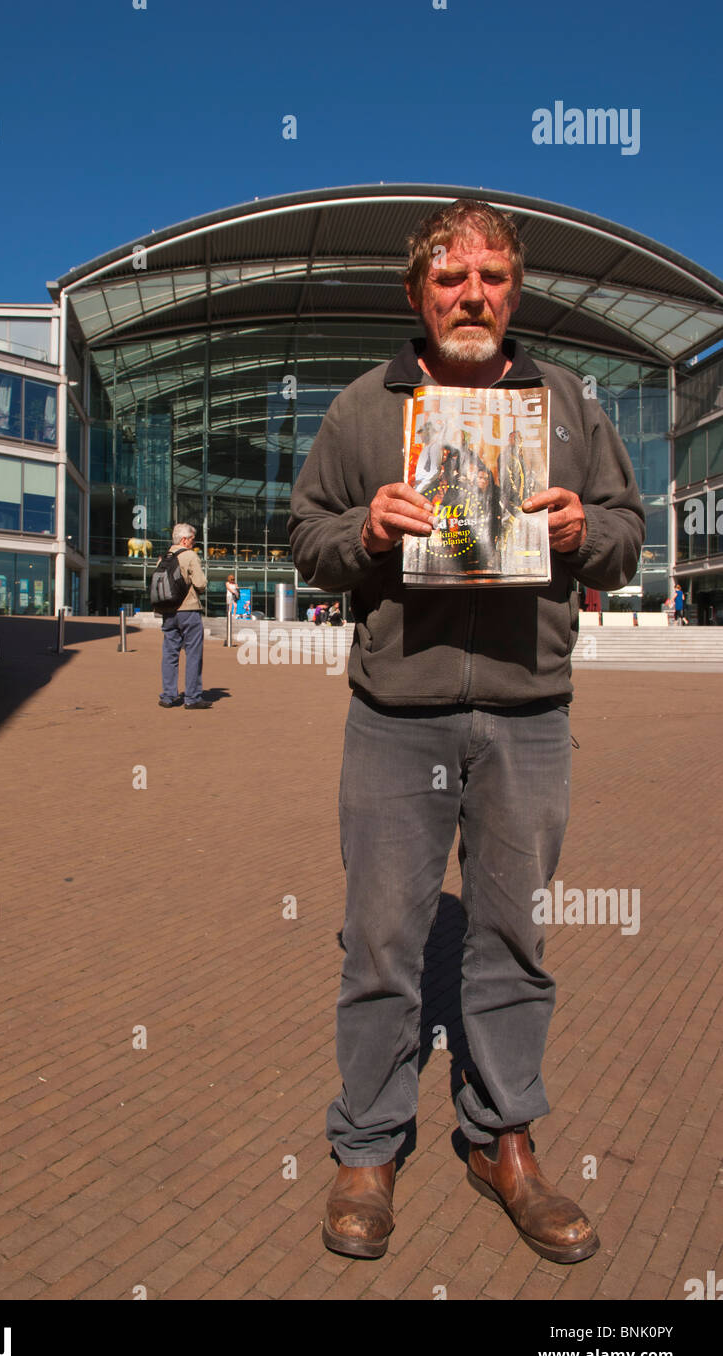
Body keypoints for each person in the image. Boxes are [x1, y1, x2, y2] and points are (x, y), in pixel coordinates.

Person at [289, 198, 645, 1266]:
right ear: (416, 293)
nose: (471, 295)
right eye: (449, 279)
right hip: (394, 719)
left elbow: (629, 535)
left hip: (528, 716)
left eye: (490, 277)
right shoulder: (364, 408)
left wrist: (589, 532)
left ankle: (503, 1138)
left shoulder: (566, 403)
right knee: (384, 939)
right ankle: (367, 1144)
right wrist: (363, 531)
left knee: (510, 942)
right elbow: (303, 538)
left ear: (514, 289)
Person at [158, 523, 211, 709]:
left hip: (168, 610)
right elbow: (201, 583)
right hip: (188, 609)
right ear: (184, 540)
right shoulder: (189, 556)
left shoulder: (164, 558)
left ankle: (168, 696)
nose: (193, 542)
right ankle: (192, 697)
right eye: (192, 539)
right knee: (193, 654)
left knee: (170, 654)